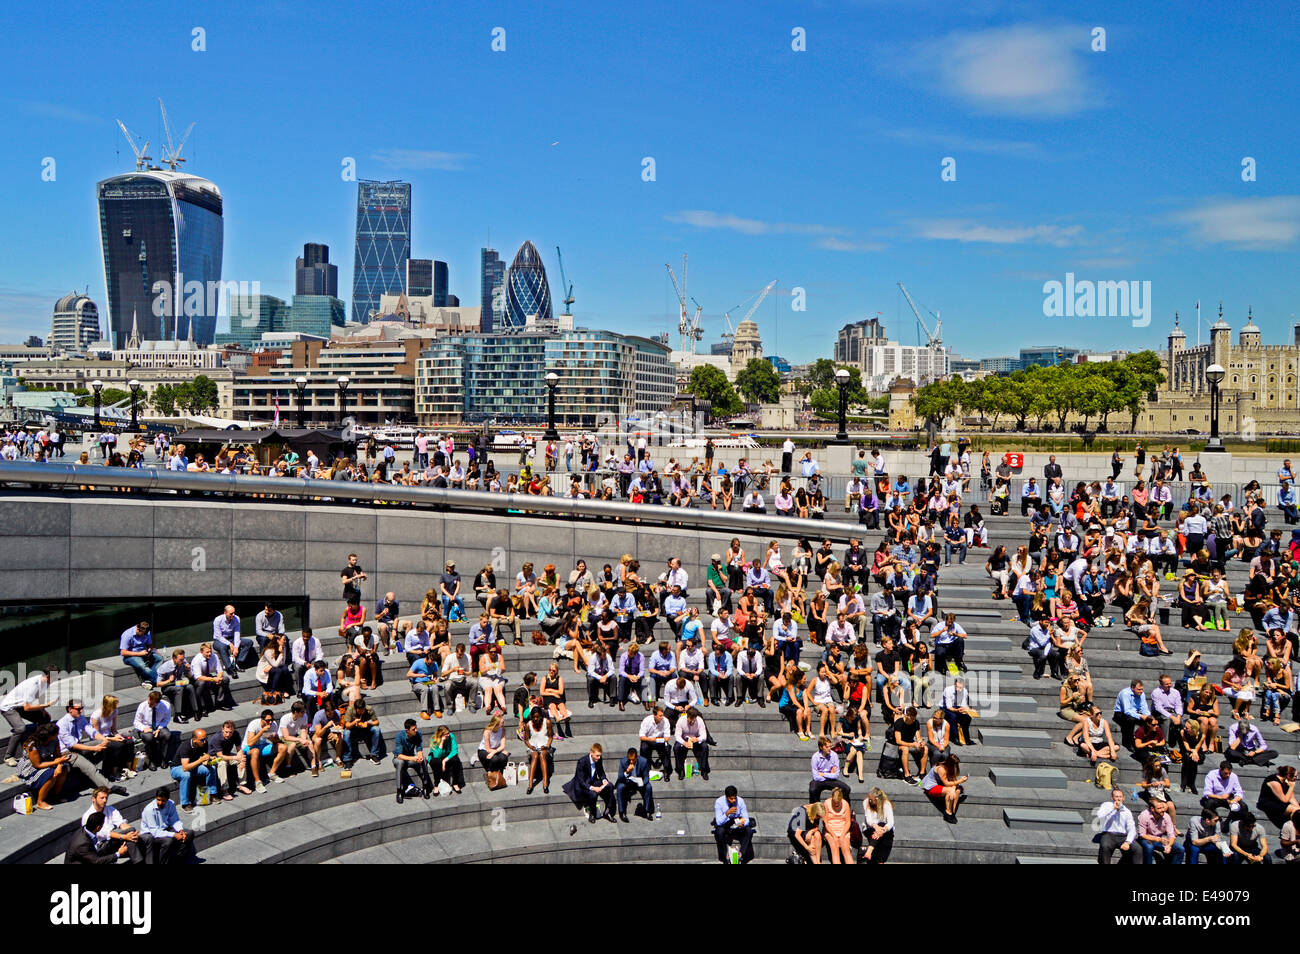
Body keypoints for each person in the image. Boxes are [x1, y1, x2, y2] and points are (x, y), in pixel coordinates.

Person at [139, 786, 196, 864]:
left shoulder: (170, 804)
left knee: (189, 833)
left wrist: (180, 830)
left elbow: (175, 820)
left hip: (165, 829)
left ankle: (178, 860)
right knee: (167, 841)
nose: (160, 803)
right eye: (158, 800)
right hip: (151, 834)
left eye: (163, 801)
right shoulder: (149, 810)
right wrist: (174, 835)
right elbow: (155, 832)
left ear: (167, 799)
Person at [564, 742, 617, 822]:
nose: (599, 758)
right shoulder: (582, 762)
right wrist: (593, 788)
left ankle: (607, 812)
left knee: (610, 786)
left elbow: (601, 772)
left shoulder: (598, 759)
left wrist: (604, 780)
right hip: (583, 785)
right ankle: (592, 813)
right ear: (591, 753)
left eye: (600, 755)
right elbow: (581, 781)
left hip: (592, 780)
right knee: (593, 794)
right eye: (597, 755)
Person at [67, 810, 132, 864]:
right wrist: (118, 854)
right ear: (98, 827)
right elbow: (96, 861)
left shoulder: (86, 829)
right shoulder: (83, 844)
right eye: (102, 824)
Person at [393, 718, 434, 803]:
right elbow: (399, 755)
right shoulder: (399, 736)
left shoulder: (418, 734)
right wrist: (413, 758)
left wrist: (420, 756)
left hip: (411, 758)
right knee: (400, 763)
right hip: (400, 758)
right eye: (413, 729)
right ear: (407, 730)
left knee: (424, 760)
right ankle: (399, 791)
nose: (416, 730)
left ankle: (426, 786)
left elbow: (419, 748)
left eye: (416, 728)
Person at [713, 785, 756, 863]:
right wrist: (727, 813)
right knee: (719, 832)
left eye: (734, 798)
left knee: (749, 831)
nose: (733, 800)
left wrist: (743, 823)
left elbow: (746, 818)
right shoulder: (719, 802)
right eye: (731, 798)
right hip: (725, 824)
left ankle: (741, 854)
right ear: (726, 797)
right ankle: (726, 855)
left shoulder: (740, 801)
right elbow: (719, 822)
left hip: (737, 824)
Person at [1095, 788, 1138, 864]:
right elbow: (1100, 816)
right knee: (1105, 846)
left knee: (1138, 849)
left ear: (1123, 798)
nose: (1118, 799)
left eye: (1120, 797)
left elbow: (1132, 828)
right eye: (1116, 796)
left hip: (1123, 836)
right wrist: (1113, 809)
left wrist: (1127, 842)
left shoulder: (1127, 811)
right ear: (1112, 798)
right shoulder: (1106, 805)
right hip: (1109, 834)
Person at [132, 691, 172, 772]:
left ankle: (163, 759)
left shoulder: (166, 706)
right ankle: (151, 761)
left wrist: (159, 728)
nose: (149, 705)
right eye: (149, 702)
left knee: (167, 735)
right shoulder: (143, 706)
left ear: (158, 702)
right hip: (145, 727)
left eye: (152, 704)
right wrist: (144, 728)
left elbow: (166, 719)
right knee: (149, 738)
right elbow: (136, 722)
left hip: (159, 726)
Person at [1137, 797, 1185, 864]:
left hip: (1161, 839)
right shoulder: (1144, 815)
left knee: (1180, 849)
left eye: (1163, 807)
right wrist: (1158, 839)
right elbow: (1142, 835)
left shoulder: (1166, 816)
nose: (1162, 810)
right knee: (1149, 847)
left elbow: (1171, 834)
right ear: (1152, 809)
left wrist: (1169, 845)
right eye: (1159, 808)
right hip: (1147, 839)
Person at [342, 694, 384, 768]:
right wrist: (354, 722)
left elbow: (377, 722)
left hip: (365, 728)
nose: (361, 712)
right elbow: (347, 725)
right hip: (353, 728)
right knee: (346, 733)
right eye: (359, 711)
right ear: (355, 709)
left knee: (377, 730)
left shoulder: (369, 709)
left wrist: (368, 723)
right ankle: (347, 759)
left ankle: (374, 754)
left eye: (362, 710)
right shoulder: (350, 709)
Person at [614, 747, 654, 821]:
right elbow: (620, 778)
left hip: (639, 782)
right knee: (620, 787)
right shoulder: (623, 761)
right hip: (627, 782)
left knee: (648, 787)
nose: (631, 761)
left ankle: (647, 811)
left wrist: (642, 783)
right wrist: (627, 771)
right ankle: (622, 812)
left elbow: (646, 777)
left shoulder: (643, 761)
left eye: (633, 759)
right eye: (630, 759)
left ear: (637, 757)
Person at [521, 706, 555, 795]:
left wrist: (547, 746)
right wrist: (531, 747)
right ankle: (530, 784)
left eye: (538, 717)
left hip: (545, 746)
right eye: (534, 717)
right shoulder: (528, 724)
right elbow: (526, 739)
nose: (536, 719)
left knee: (542, 755)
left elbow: (551, 737)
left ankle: (545, 783)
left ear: (541, 715)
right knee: (535, 756)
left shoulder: (547, 722)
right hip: (533, 746)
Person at [119, 621, 160, 687]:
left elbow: (150, 645)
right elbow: (123, 652)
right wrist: (139, 654)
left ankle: (148, 680)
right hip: (130, 656)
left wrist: (150, 649)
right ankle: (158, 680)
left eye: (145, 634)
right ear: (138, 629)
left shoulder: (147, 632)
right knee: (142, 665)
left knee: (159, 658)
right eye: (142, 634)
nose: (144, 636)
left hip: (143, 653)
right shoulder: (127, 635)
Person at [674, 706, 710, 780]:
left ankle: (704, 770)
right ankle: (680, 770)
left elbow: (704, 735)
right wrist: (684, 743)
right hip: (684, 739)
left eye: (694, 720)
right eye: (690, 720)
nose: (692, 722)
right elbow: (677, 736)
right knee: (676, 747)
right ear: (687, 717)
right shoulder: (681, 720)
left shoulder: (699, 720)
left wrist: (697, 739)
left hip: (695, 738)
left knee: (705, 746)